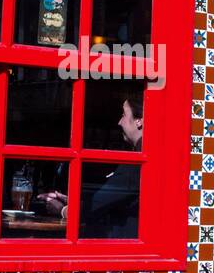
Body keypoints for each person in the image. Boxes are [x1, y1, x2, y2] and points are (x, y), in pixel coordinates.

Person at [39, 96, 142, 236]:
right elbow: (109, 198)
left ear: (139, 121)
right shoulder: (139, 155)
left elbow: (97, 205)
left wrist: (62, 210)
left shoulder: (137, 162)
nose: (119, 122)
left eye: (123, 115)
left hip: (127, 244)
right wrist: (72, 200)